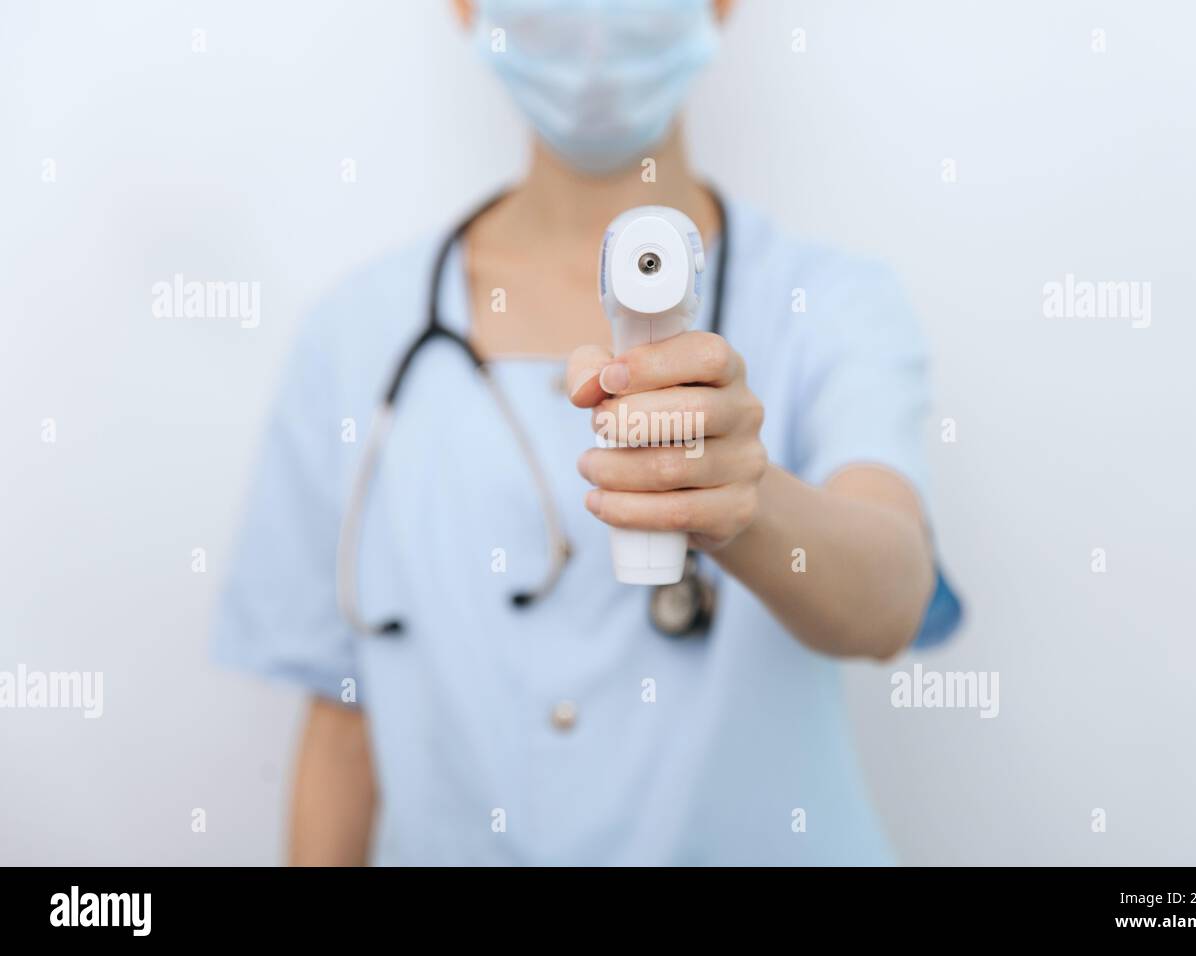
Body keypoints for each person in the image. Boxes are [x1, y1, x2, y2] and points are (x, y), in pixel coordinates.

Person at [213, 0, 961, 866]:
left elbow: (890, 595)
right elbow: (344, 726)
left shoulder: (832, 305)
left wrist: (748, 506)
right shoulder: (352, 338)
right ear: (465, 6)